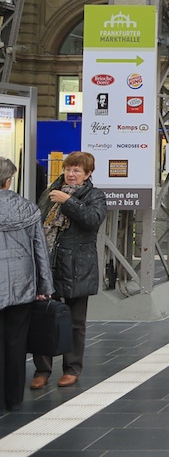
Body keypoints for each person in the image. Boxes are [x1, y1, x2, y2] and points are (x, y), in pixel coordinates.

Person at [31, 151, 107, 390]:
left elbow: (92, 220)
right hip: (47, 265)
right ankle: (42, 370)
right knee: (42, 318)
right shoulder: (51, 192)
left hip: (77, 267)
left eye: (77, 170)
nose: (71, 174)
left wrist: (68, 201)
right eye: (68, 169)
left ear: (88, 174)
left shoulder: (95, 195)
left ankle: (72, 368)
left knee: (75, 322)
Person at [0, 157, 53, 412]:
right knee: (16, 342)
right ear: (9, 181)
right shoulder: (27, 208)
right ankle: (12, 398)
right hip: (21, 284)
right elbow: (40, 249)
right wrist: (45, 287)